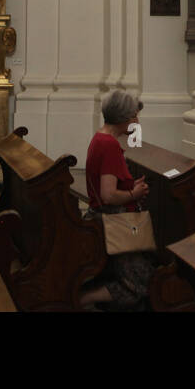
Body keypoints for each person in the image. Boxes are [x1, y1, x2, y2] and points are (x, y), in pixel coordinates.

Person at [80, 90, 154, 309]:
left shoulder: (100, 137)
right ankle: (84, 299)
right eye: (134, 116)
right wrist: (134, 194)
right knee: (141, 283)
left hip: (103, 219)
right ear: (123, 119)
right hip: (114, 223)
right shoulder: (110, 145)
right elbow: (108, 195)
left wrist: (131, 186)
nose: (137, 120)